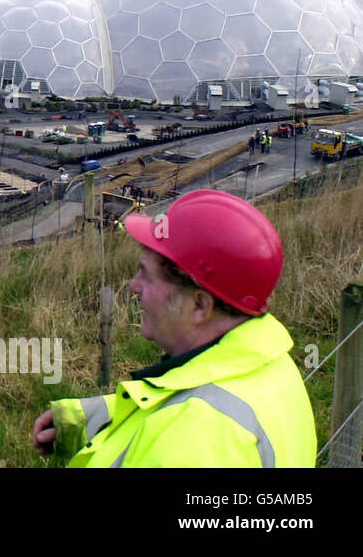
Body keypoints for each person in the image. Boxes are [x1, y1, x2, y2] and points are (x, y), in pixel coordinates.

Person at [31, 189, 315, 467]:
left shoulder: (191, 437)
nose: (134, 286)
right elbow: (179, 403)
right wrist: (87, 419)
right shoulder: (269, 367)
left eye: (146, 274)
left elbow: (185, 428)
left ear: (199, 306)